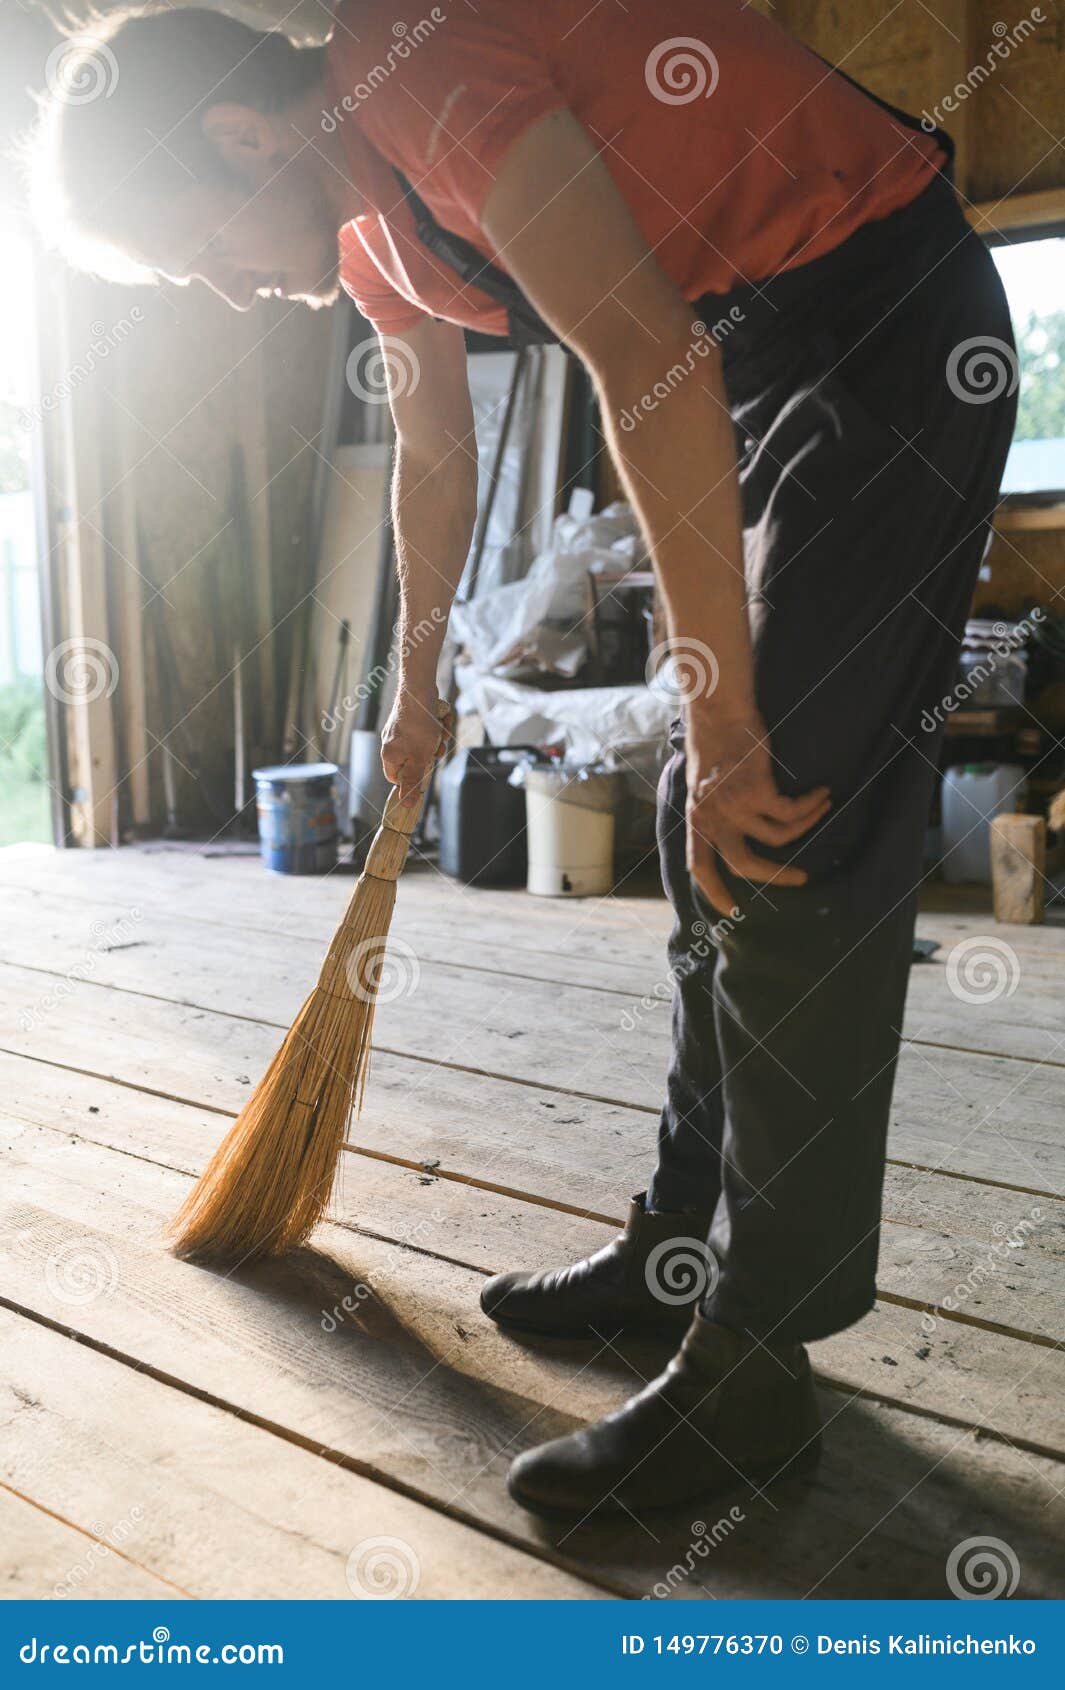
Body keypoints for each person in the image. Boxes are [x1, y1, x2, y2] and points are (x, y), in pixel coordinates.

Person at [32, 0, 1017, 1519]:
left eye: (198, 254)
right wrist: (415, 682)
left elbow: (639, 353)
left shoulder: (413, 70)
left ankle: (758, 1365)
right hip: (759, 359)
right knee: (709, 810)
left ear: (240, 138)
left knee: (781, 812)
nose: (225, 292)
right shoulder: (371, 232)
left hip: (886, 324)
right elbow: (434, 452)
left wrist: (715, 697)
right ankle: (678, 1247)